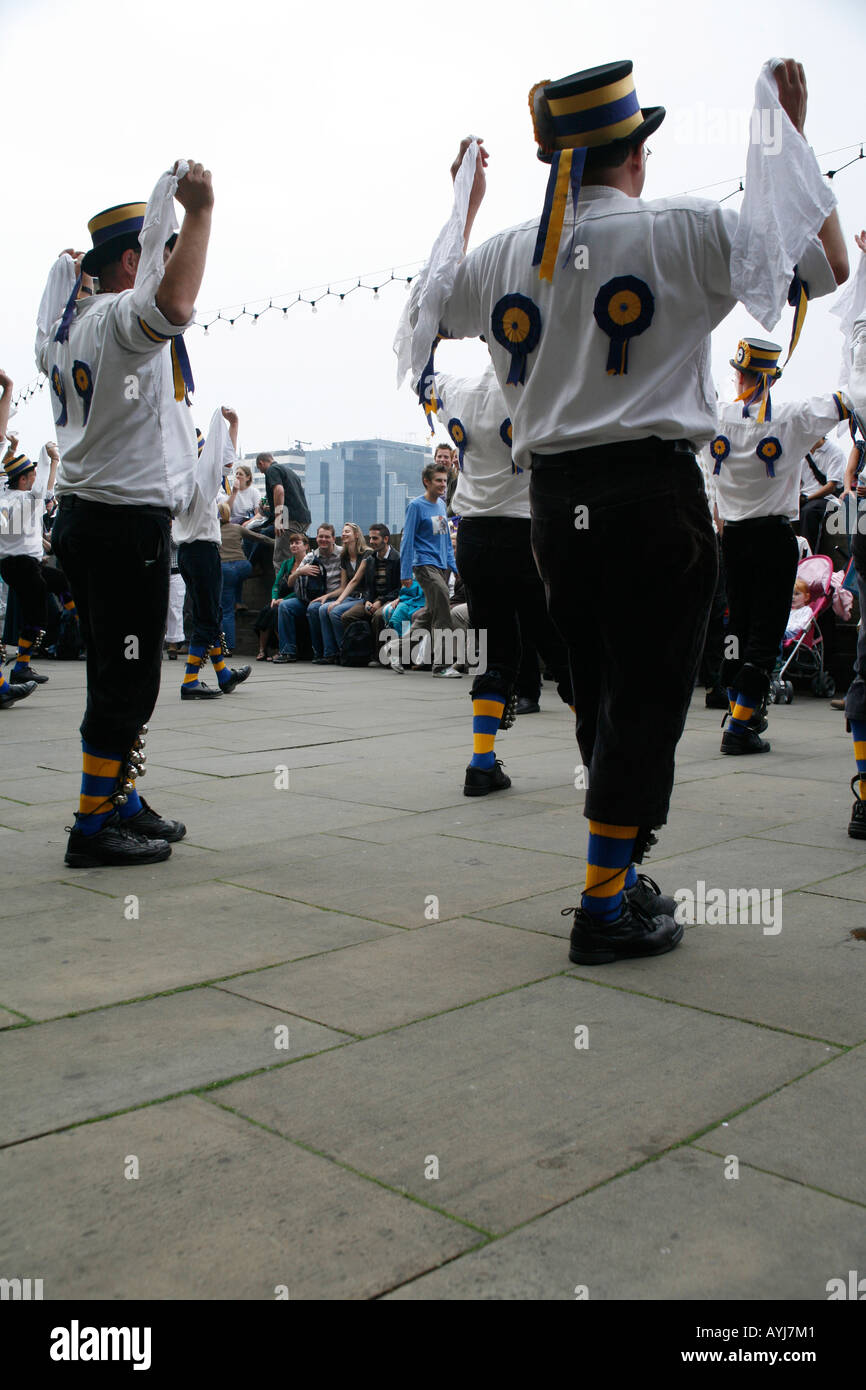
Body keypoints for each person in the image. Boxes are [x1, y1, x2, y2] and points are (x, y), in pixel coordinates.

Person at [428, 58, 847, 964]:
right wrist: (792, 141)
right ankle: (604, 908)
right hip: (650, 497)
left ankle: (615, 875)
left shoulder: (508, 251)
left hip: (554, 506)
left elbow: (433, 307)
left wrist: (462, 203)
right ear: (637, 153)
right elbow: (829, 263)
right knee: (648, 699)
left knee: (602, 690)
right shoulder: (681, 230)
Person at [40, 160, 213, 866]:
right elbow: (173, 308)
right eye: (162, 252)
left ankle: (119, 796)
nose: (174, 267)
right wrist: (199, 213)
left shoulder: (66, 324)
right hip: (121, 523)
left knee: (116, 667)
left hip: (87, 516)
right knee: (126, 675)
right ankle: (92, 823)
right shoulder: (115, 318)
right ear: (135, 261)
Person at [711, 337, 852, 754]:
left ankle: (739, 707)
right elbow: (846, 401)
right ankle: (739, 727)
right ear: (770, 378)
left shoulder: (716, 416)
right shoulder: (791, 418)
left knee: (736, 626)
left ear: (738, 373)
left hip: (732, 536)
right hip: (772, 537)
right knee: (766, 634)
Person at [173, 406, 252, 697]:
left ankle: (223, 674)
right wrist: (233, 425)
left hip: (186, 553)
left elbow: (222, 466)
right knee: (207, 618)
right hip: (203, 552)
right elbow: (224, 462)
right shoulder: (200, 479)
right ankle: (190, 680)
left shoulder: (179, 481)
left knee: (210, 612)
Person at [0, 441, 76, 686]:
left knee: (60, 582)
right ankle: (21, 667)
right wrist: (50, 458)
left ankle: (76, 617)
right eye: (31, 475)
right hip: (21, 564)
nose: (35, 478)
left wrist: (14, 453)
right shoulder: (25, 500)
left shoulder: (7, 495)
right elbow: (45, 486)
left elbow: (43, 486)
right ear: (23, 479)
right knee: (36, 618)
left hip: (23, 565)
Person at [400, 461, 461, 677]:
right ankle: (441, 665)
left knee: (430, 612)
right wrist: (405, 572)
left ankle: (395, 651)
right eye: (438, 480)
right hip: (424, 565)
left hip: (440, 566)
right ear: (427, 482)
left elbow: (445, 541)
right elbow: (407, 540)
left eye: (445, 481)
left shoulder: (441, 506)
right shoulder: (416, 506)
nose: (443, 484)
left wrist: (454, 567)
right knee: (443, 609)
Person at [273, 524, 342, 663]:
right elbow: (290, 583)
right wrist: (300, 571)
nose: (323, 539)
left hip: (332, 597)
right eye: (320, 536)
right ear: (316, 538)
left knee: (314, 608)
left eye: (327, 537)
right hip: (308, 598)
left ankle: (320, 652)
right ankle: (287, 651)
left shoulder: (342, 554)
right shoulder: (311, 557)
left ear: (333, 538)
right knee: (285, 606)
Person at [338, 523, 402, 650]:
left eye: (375, 538)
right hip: (372, 601)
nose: (372, 541)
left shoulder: (397, 559)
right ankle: (359, 652)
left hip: (390, 600)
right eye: (371, 538)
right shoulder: (371, 560)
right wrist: (368, 600)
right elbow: (368, 586)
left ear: (386, 539)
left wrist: (380, 601)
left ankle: (379, 654)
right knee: (347, 616)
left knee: (379, 616)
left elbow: (399, 588)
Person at [315, 522, 372, 662]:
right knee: (323, 609)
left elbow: (355, 580)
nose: (344, 534)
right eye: (343, 532)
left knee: (335, 611)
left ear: (356, 535)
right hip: (350, 596)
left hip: (363, 597)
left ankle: (344, 650)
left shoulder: (367, 553)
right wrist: (328, 597)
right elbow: (343, 586)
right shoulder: (344, 557)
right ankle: (330, 653)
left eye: (348, 532)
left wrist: (338, 602)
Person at [254, 530, 308, 659]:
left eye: (297, 543)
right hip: (280, 598)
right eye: (291, 543)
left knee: (276, 612)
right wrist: (274, 598)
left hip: (297, 598)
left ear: (306, 546)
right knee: (266, 610)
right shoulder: (286, 563)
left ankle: (281, 649)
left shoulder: (308, 562)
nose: (294, 545)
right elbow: (276, 584)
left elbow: (303, 589)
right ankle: (262, 649)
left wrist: (284, 599)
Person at [218, 500, 253, 652]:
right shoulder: (237, 528)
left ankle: (228, 647)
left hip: (225, 569)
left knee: (226, 611)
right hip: (244, 566)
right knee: (236, 577)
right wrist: (276, 543)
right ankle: (238, 601)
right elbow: (259, 538)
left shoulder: (213, 531)